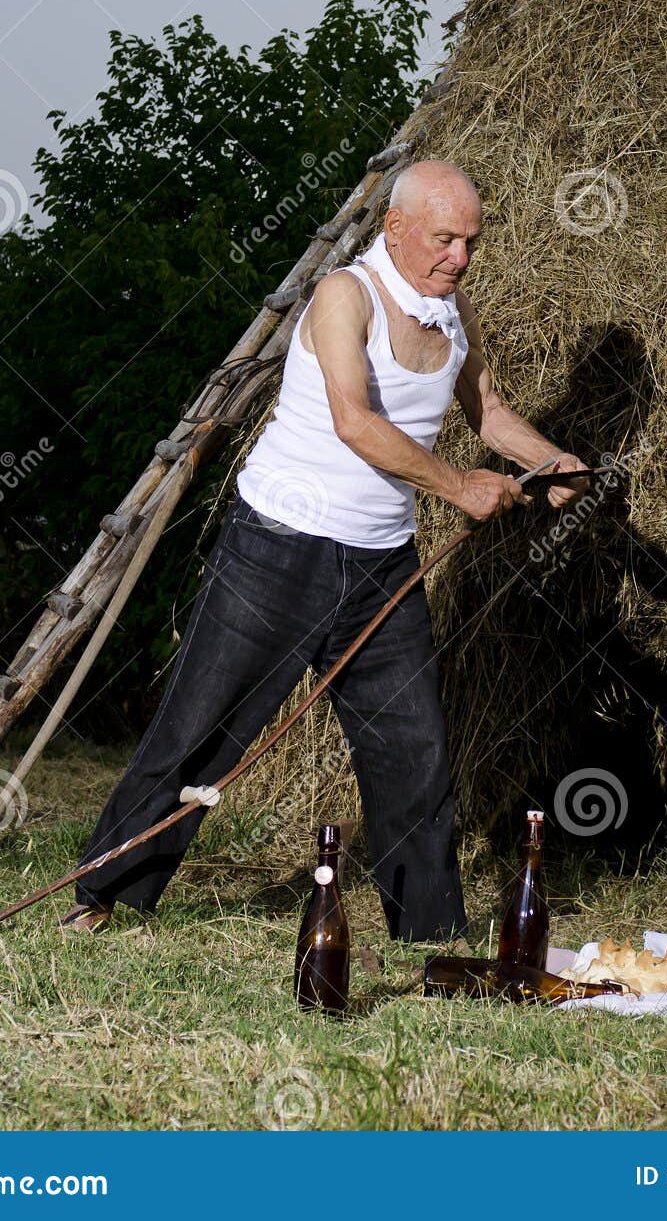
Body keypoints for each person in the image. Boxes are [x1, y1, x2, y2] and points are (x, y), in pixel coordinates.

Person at [60, 158, 589, 940]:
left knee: (412, 752)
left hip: (382, 565)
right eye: (445, 240)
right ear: (396, 229)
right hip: (276, 551)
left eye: (471, 242)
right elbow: (355, 420)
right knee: (199, 729)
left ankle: (431, 936)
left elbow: (488, 410)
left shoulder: (452, 311)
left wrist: (552, 459)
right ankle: (103, 898)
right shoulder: (346, 296)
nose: (460, 258)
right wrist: (459, 487)